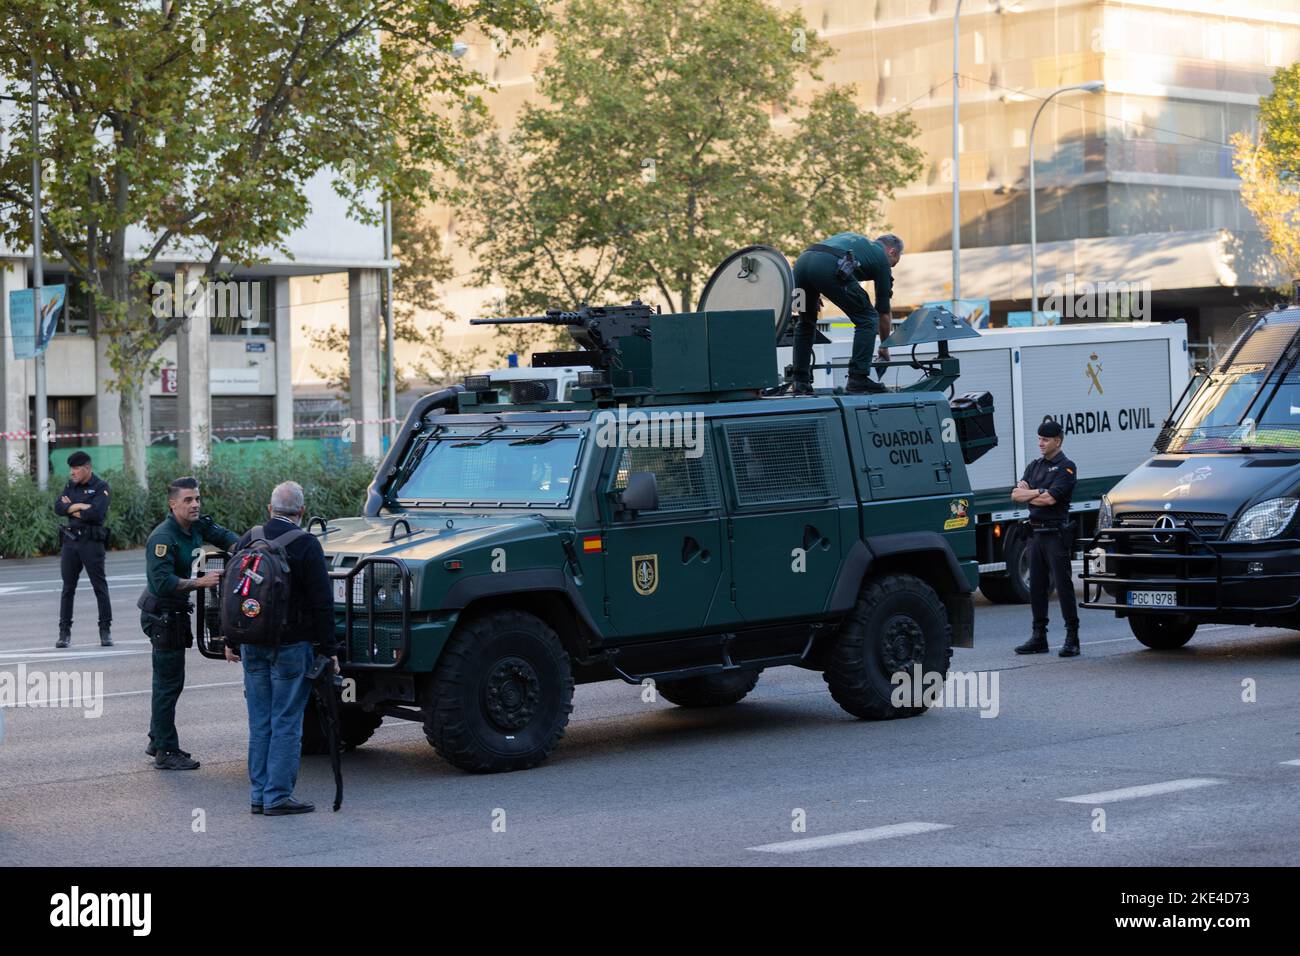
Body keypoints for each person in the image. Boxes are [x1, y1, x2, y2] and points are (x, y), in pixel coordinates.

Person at [223, 481, 339, 816]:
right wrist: (329, 649)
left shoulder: (249, 538)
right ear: (301, 512)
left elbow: (234, 594)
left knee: (260, 722)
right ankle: (278, 796)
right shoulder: (306, 544)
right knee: (287, 720)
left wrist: (231, 639)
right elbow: (322, 603)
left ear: (269, 509)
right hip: (292, 646)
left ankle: (259, 795)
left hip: (251, 643)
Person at [141, 477, 240, 770]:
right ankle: (166, 751)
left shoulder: (196, 525)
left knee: (169, 682)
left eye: (197, 498)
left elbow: (226, 538)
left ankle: (156, 737)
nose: (195, 504)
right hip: (162, 615)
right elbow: (161, 583)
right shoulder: (162, 538)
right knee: (168, 684)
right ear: (173, 505)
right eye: (188, 500)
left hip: (174, 614)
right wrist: (201, 582)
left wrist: (244, 549)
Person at [789, 232, 903, 395]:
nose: (890, 268)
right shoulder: (881, 259)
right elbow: (883, 311)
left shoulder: (855, 241)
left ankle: (800, 382)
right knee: (868, 318)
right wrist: (884, 347)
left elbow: (825, 254)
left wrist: (817, 285)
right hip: (827, 265)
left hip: (801, 264)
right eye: (893, 264)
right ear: (892, 252)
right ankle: (858, 378)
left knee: (805, 323)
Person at [1012, 420, 1081, 657]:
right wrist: (1038, 492)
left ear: (1057, 441)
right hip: (1035, 534)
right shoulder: (1034, 466)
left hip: (1055, 534)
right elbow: (1015, 495)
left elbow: (1051, 499)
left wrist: (1032, 494)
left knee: (1063, 586)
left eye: (1045, 439)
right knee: (1037, 588)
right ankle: (1039, 637)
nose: (1040, 443)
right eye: (1039, 439)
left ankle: (1072, 637)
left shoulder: (1066, 467)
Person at [53, 451, 113, 648]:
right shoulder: (70, 486)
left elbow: (96, 513)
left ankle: (105, 631)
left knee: (100, 587)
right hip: (71, 542)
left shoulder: (100, 486)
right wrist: (80, 506)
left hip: (91, 542)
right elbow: (58, 508)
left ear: (87, 468)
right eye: (71, 468)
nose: (72, 472)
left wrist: (73, 506)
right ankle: (64, 633)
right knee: (68, 589)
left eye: (76, 468)